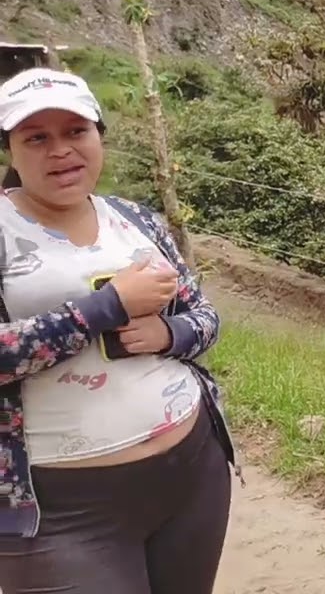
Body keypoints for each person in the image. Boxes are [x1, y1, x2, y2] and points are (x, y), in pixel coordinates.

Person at [0, 67, 240, 593]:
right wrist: (105, 308)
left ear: (99, 136)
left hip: (191, 475)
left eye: (76, 131)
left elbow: (205, 316)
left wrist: (170, 335)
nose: (61, 150)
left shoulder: (136, 220)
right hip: (56, 509)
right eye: (36, 138)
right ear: (10, 150)